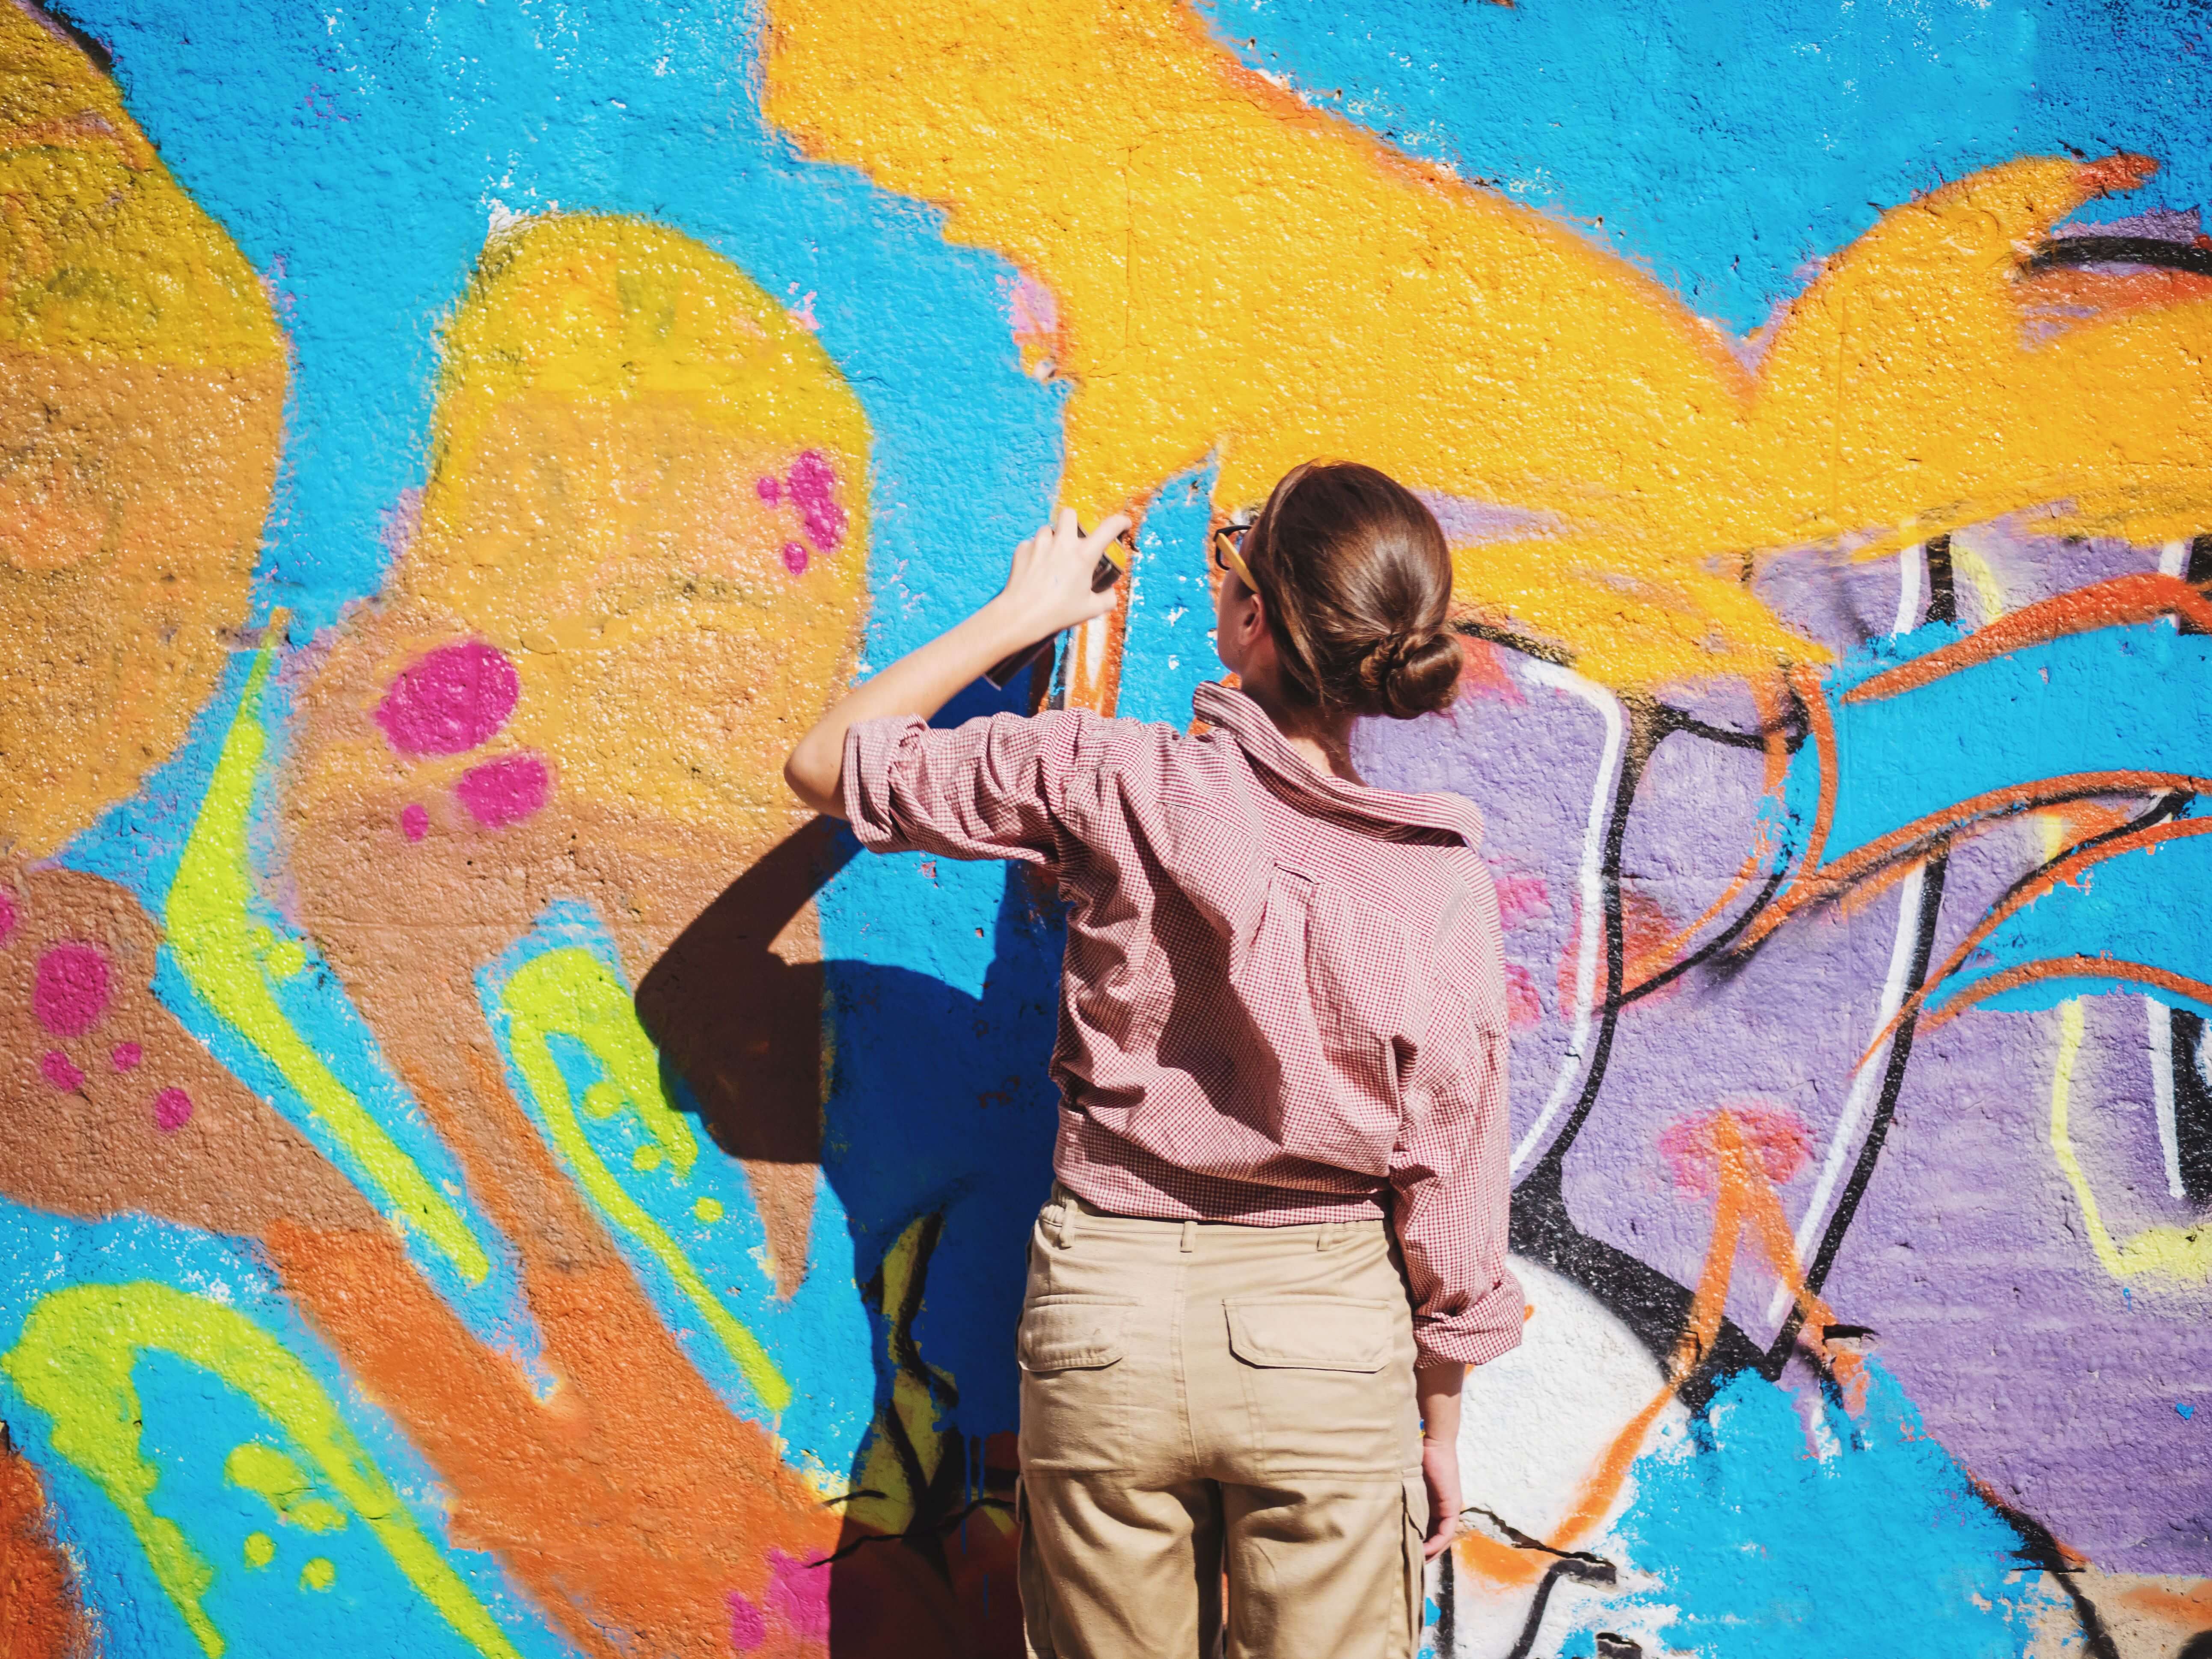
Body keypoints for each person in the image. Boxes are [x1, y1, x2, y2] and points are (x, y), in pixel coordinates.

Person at [784, 460, 1521, 1659]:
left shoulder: (1110, 776)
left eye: (1231, 550)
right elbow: (1453, 1167)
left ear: (1254, 620)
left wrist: (1021, 617)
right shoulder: (1431, 880)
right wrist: (1440, 1417)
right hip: (1325, 1331)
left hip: (1108, 1314)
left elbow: (830, 763)